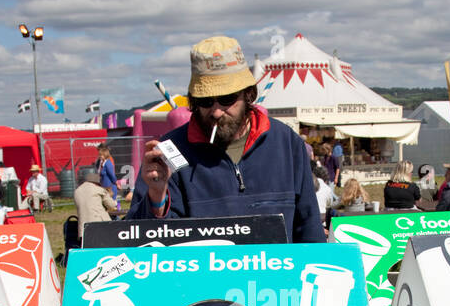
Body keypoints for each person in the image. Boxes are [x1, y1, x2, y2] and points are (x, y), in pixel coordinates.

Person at [129, 35, 322, 242]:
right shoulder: (170, 150)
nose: (216, 111)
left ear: (247, 94)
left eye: (227, 99)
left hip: (276, 272)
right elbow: (142, 242)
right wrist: (157, 196)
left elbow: (309, 227)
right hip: (203, 272)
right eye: (205, 101)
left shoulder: (286, 143)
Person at [74, 167, 118, 237]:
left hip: (83, 229)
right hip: (100, 225)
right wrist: (111, 197)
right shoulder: (99, 190)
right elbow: (112, 206)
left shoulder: (77, 191)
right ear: (96, 183)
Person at [96, 144, 121, 210]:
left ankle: (118, 210)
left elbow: (112, 175)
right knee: (108, 203)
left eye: (101, 155)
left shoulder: (108, 163)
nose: (99, 156)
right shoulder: (102, 163)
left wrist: (116, 184)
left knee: (113, 202)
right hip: (105, 186)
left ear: (104, 155)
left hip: (110, 187)